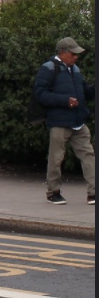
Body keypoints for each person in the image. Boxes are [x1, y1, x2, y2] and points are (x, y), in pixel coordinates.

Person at [33, 36, 95, 206]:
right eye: (73, 54)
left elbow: (85, 92)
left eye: (76, 54)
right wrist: (65, 101)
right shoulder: (48, 68)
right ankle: (53, 192)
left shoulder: (75, 69)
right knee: (56, 158)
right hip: (59, 122)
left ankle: (93, 193)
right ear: (62, 52)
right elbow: (40, 94)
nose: (76, 57)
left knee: (88, 155)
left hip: (78, 121)